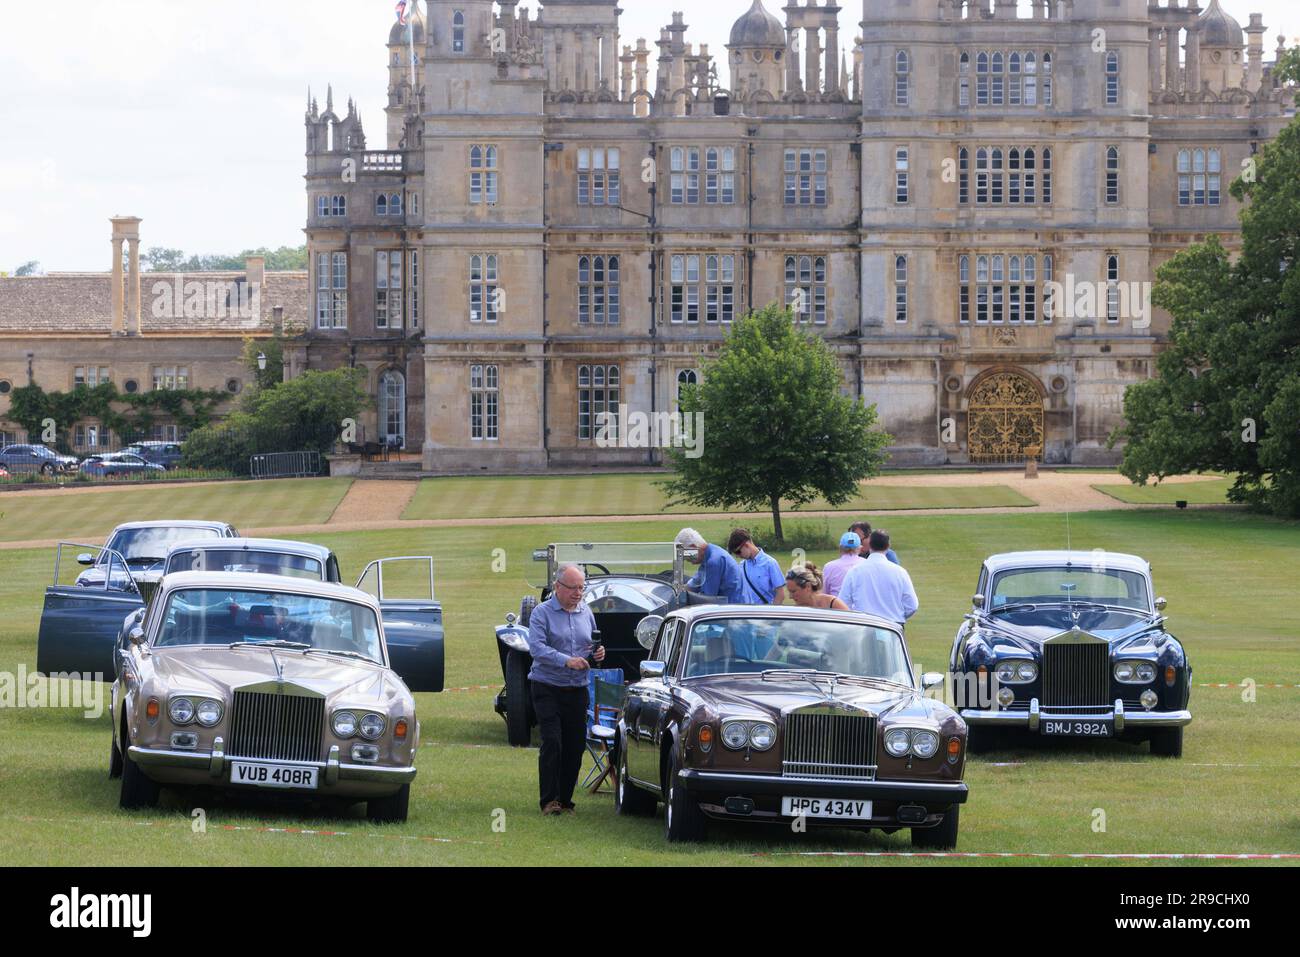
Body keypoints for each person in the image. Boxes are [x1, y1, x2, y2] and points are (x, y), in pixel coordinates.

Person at [525, 562, 605, 816]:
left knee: (574, 745)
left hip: (577, 689)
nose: (578, 593)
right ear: (558, 587)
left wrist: (599, 654)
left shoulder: (586, 612)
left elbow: (592, 644)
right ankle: (549, 801)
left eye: (582, 588)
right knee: (552, 742)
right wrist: (565, 660)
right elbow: (536, 648)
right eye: (573, 588)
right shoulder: (541, 613)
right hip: (547, 686)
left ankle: (565, 800)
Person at [838, 530, 919, 627]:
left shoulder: (855, 571)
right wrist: (897, 616)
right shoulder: (900, 572)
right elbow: (912, 605)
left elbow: (843, 602)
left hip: (864, 626)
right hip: (892, 625)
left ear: (870, 545)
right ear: (888, 546)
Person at [676, 527, 745, 604]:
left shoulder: (713, 562)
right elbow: (693, 585)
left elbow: (707, 600)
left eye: (686, 555)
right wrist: (676, 593)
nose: (687, 560)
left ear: (693, 547)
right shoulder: (709, 555)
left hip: (730, 611)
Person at [727, 528, 786, 605]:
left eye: (738, 552)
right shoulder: (741, 566)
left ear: (746, 545)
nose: (738, 556)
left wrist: (770, 614)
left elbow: (780, 594)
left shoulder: (770, 563)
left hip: (766, 613)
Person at [822, 532, 867, 597]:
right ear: (859, 548)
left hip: (836, 605)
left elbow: (824, 593)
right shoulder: (866, 564)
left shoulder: (829, 567)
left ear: (840, 548)